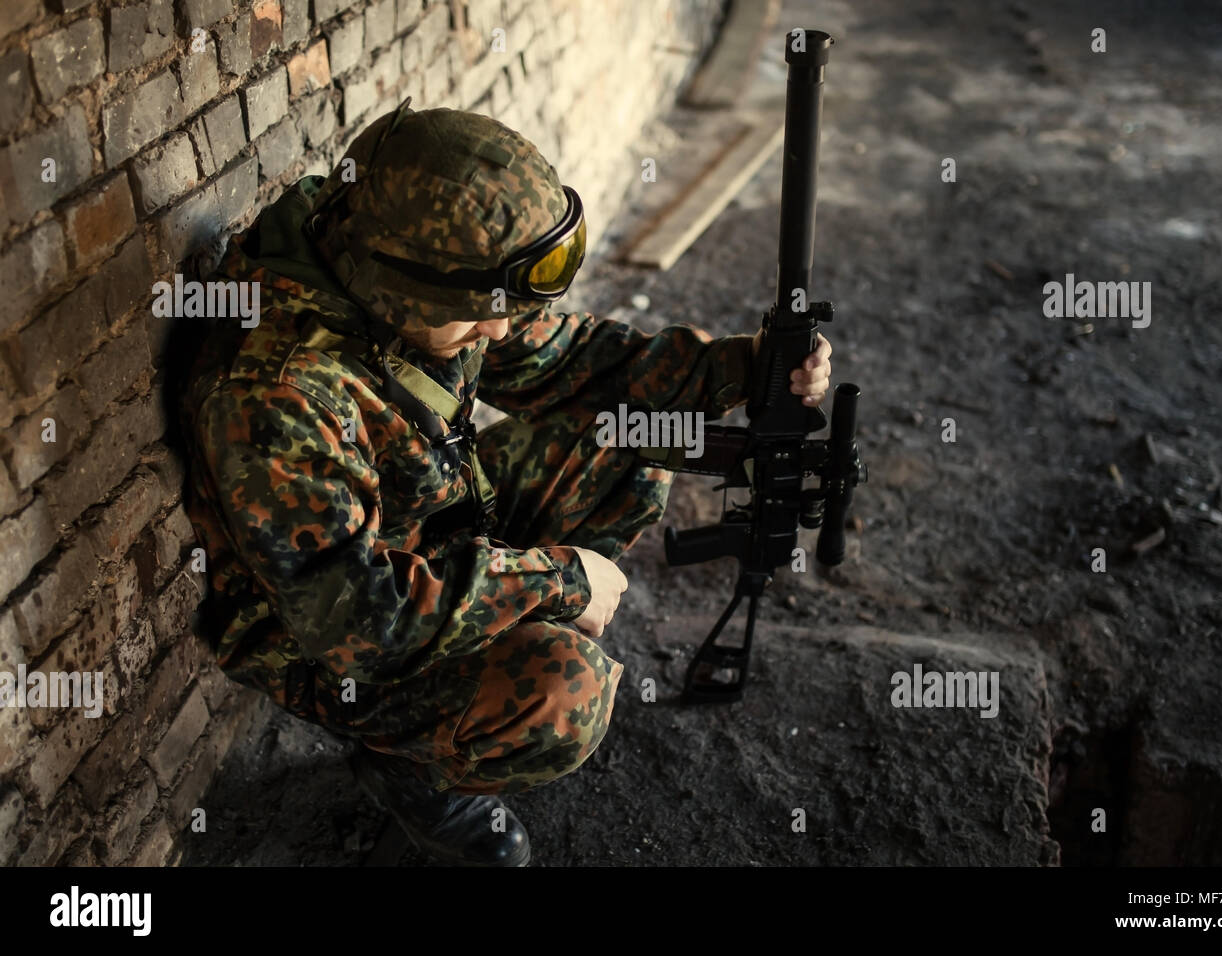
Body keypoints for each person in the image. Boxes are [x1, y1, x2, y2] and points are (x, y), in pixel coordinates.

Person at [179, 102, 832, 866]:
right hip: (331, 641)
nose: (494, 333)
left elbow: (569, 364)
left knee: (633, 430)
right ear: (398, 292)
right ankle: (415, 767)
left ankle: (486, 658)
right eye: (475, 317)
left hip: (434, 526)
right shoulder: (277, 395)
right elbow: (356, 617)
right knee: (562, 692)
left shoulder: (410, 264)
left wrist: (742, 368)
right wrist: (558, 582)